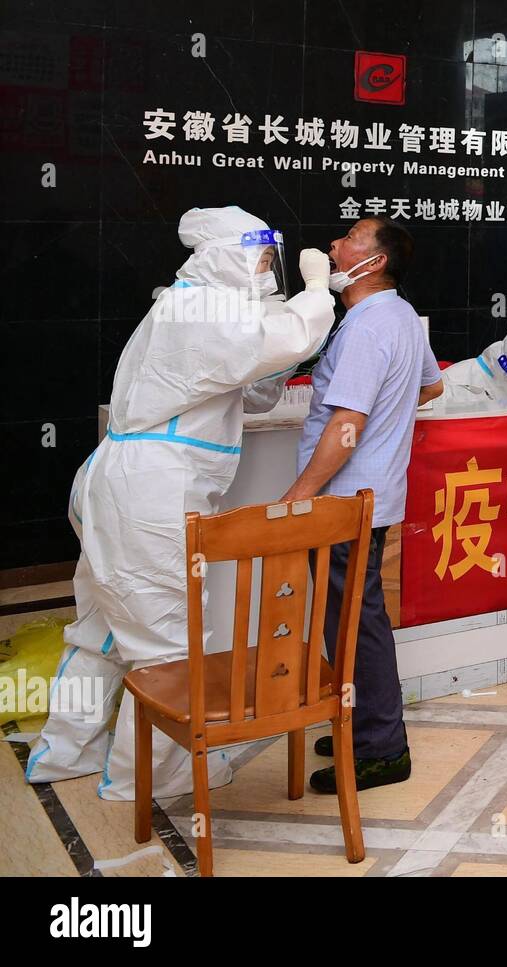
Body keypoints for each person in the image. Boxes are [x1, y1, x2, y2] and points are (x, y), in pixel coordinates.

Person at [27, 206, 336, 800]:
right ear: (225, 255)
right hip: (148, 497)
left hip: (125, 486)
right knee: (167, 645)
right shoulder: (200, 308)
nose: (268, 269)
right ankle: (146, 782)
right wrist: (317, 294)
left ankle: (64, 753)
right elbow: (280, 336)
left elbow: (249, 389)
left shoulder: (193, 304)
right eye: (261, 257)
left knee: (102, 633)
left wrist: (289, 341)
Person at [281, 216, 444, 791]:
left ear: (371, 263)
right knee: (352, 615)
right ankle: (363, 721)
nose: (333, 244)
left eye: (348, 238)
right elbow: (431, 385)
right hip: (374, 496)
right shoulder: (400, 316)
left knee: (354, 620)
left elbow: (348, 422)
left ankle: (381, 749)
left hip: (345, 500)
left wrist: (301, 494)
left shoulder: (367, 328)